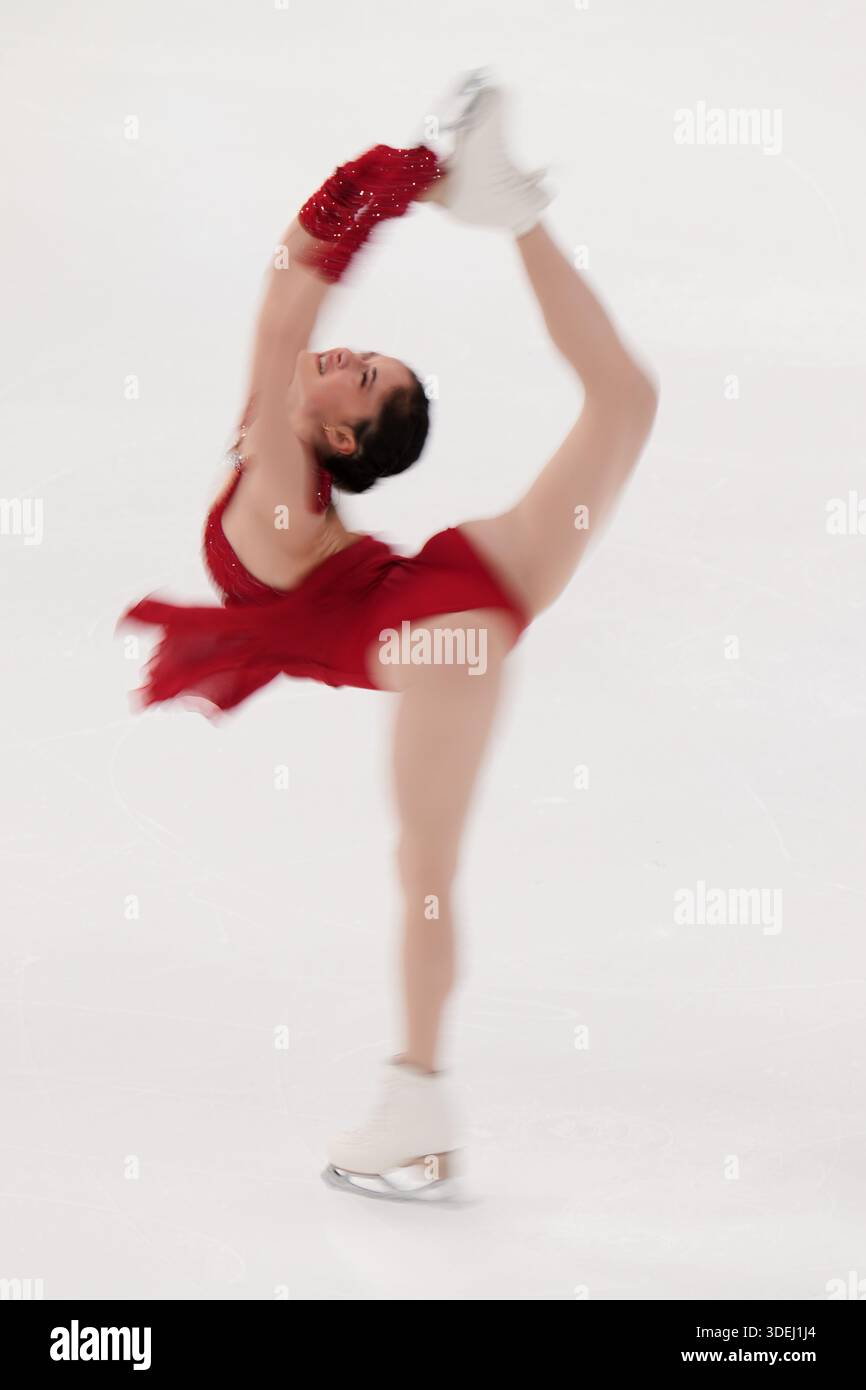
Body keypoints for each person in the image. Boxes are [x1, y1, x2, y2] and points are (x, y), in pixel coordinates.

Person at [118, 74, 658, 1201]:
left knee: (423, 870)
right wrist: (405, 183)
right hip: (452, 586)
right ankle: (514, 210)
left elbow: (283, 303)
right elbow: (288, 312)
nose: (345, 360)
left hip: (437, 625)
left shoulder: (276, 464)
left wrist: (402, 174)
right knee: (624, 401)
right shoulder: (277, 453)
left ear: (341, 434)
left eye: (363, 377)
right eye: (366, 361)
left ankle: (415, 1107)